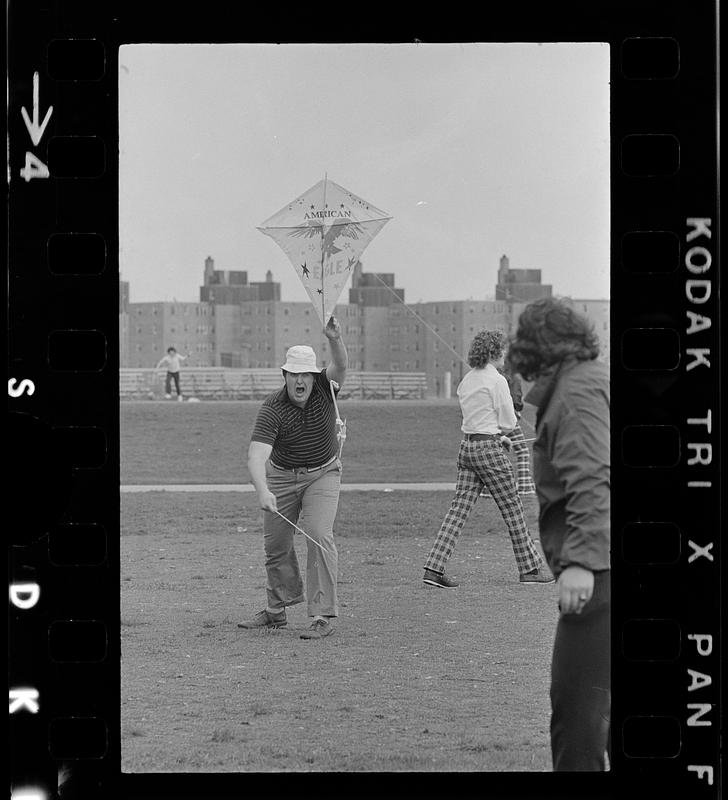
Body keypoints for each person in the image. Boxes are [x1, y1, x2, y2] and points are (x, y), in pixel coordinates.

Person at [507, 297, 610, 771]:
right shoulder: (586, 381)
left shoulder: (575, 393)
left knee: (577, 711)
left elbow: (592, 479)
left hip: (603, 573)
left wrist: (582, 563)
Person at [238, 317, 347, 640]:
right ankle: (276, 611)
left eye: (306, 375)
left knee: (318, 534)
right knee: (277, 544)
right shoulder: (272, 407)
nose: (300, 381)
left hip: (322, 473)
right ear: (285, 377)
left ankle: (322, 615)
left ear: (314, 377)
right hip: (282, 476)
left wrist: (335, 339)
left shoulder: (327, 390)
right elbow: (256, 455)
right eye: (293, 375)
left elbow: (340, 365)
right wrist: (262, 491)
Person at [422, 329, 552, 588]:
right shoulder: (497, 380)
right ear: (495, 352)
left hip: (468, 448)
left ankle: (434, 569)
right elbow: (508, 421)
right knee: (513, 510)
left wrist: (496, 436)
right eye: (503, 350)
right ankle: (530, 569)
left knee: (457, 511)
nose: (506, 355)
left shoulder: (467, 380)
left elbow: (478, 421)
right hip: (489, 452)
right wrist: (501, 436)